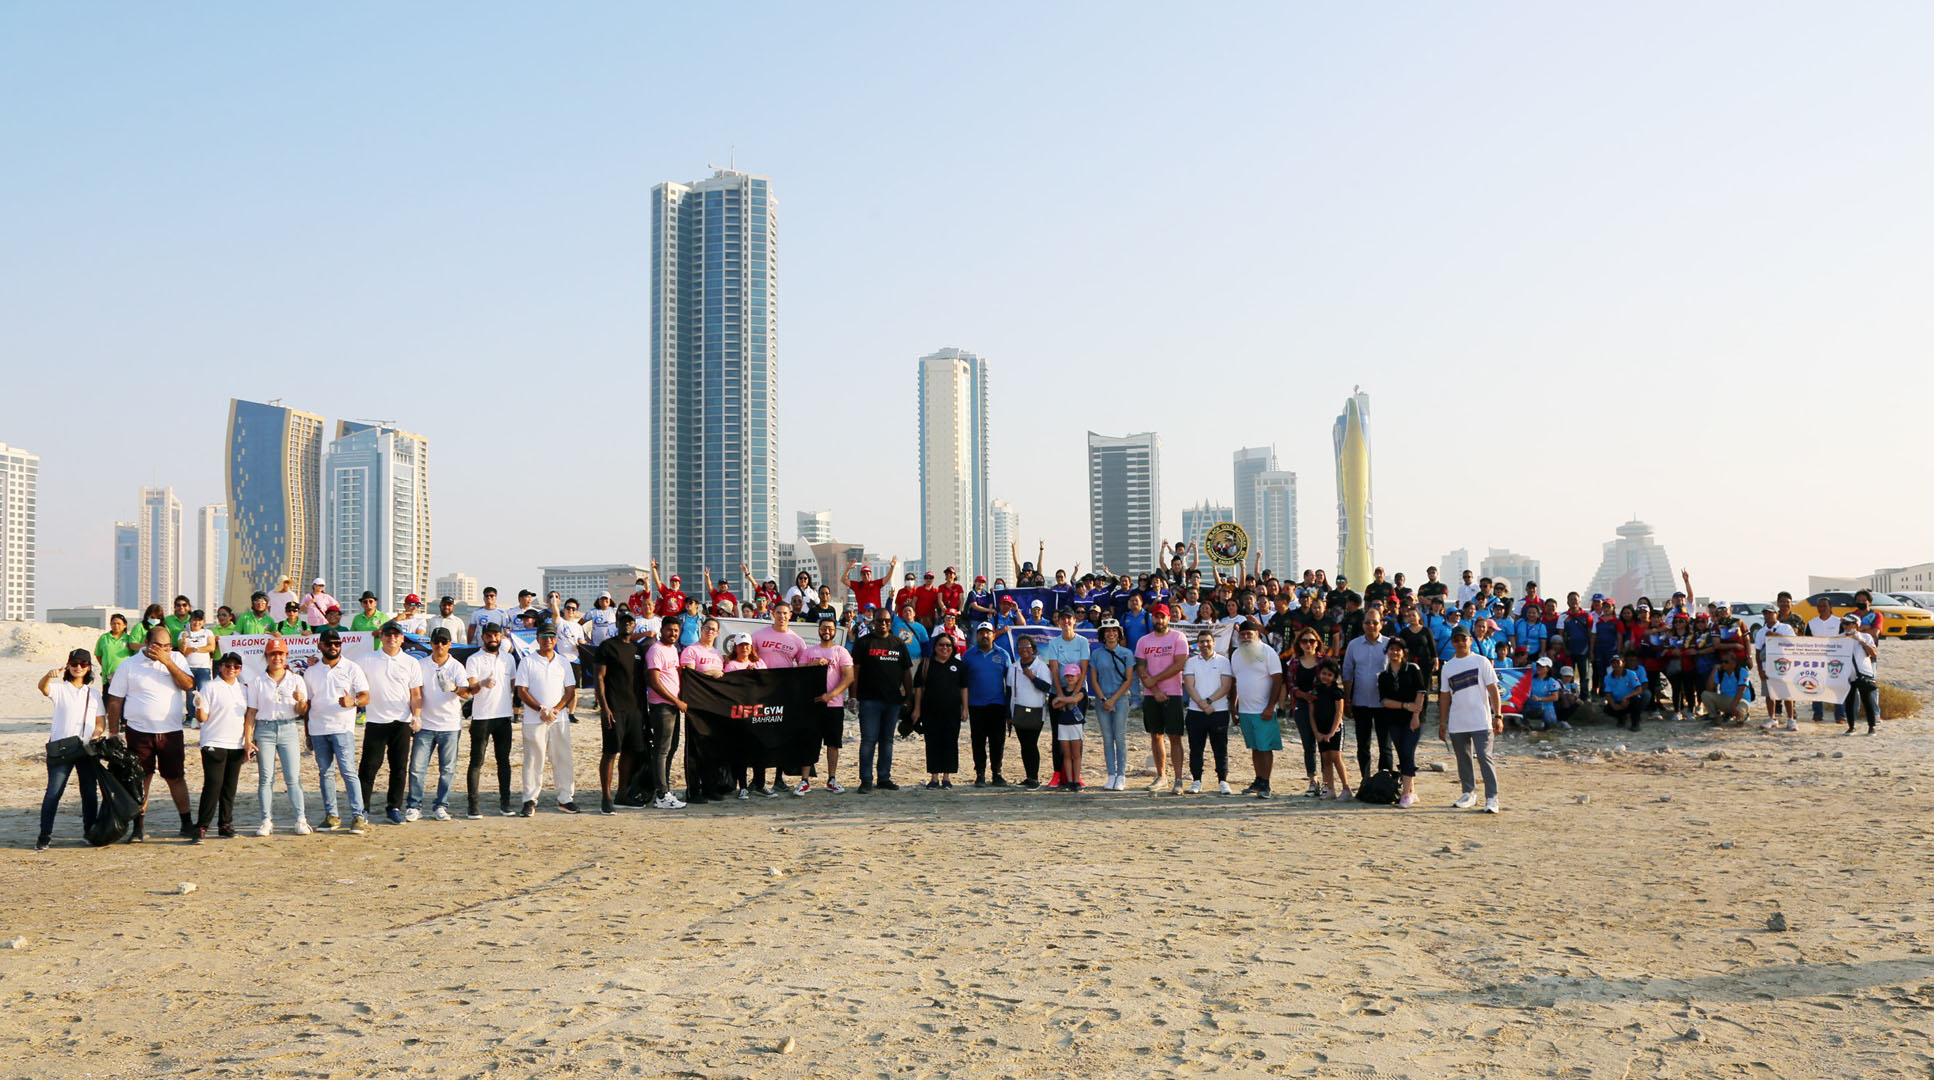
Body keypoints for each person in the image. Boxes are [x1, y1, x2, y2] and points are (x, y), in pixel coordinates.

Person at [104, 624, 198, 842]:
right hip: (139, 731)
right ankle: (138, 827)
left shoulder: (176, 659)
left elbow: (188, 684)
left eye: (167, 646)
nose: (163, 649)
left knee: (175, 777)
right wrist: (113, 731)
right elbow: (116, 699)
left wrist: (168, 662)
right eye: (158, 645)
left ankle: (186, 823)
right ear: (146, 643)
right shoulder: (128, 665)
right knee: (140, 779)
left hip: (171, 730)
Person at [303, 627, 371, 834]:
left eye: (337, 643)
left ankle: (358, 816)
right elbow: (307, 704)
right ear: (320, 645)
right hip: (318, 729)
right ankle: (332, 816)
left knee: (348, 772)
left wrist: (354, 701)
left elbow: (366, 695)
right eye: (329, 643)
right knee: (325, 773)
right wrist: (307, 733)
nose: (333, 647)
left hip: (342, 728)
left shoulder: (352, 668)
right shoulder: (311, 671)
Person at [245, 637, 314, 835]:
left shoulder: (296, 680)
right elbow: (251, 712)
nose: (277, 658)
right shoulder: (258, 681)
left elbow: (302, 710)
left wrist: (300, 701)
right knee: (266, 778)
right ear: (266, 656)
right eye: (273, 654)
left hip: (288, 728)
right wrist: (248, 739)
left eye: (280, 654)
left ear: (286, 656)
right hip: (264, 729)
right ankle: (266, 819)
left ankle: (300, 819)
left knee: (293, 777)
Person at [36, 649, 105, 850]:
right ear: (68, 665)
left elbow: (100, 721)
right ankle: (44, 835)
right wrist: (48, 676)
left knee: (89, 792)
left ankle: (90, 831)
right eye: (74, 663)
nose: (78, 667)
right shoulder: (60, 689)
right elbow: (43, 688)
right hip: (62, 749)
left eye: (83, 664)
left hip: (86, 749)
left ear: (89, 667)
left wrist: (97, 735)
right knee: (53, 793)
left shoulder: (93, 694)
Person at [357, 622, 424, 825]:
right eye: (388, 634)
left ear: (402, 638)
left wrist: (417, 716)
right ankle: (362, 809)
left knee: (399, 768)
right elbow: (346, 673)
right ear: (381, 636)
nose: (392, 638)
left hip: (401, 722)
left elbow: (415, 694)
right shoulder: (366, 660)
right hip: (376, 721)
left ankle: (394, 807)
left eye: (396, 635)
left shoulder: (411, 663)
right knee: (368, 768)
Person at [514, 624, 579, 815]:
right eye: (544, 636)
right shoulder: (527, 661)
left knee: (563, 758)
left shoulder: (563, 662)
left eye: (551, 636)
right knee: (534, 760)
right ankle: (530, 800)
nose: (548, 639)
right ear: (538, 638)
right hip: (535, 719)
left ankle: (566, 798)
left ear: (556, 639)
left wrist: (556, 710)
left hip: (559, 719)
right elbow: (522, 691)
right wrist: (540, 709)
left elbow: (570, 691)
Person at [408, 627, 471, 821]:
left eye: (444, 642)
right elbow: (415, 693)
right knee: (417, 768)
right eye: (436, 642)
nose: (440, 645)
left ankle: (441, 805)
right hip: (425, 725)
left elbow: (467, 693)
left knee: (447, 769)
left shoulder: (456, 666)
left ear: (450, 644)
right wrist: (416, 716)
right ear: (431, 643)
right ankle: (414, 805)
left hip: (450, 726)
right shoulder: (421, 665)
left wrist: (454, 688)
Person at [1438, 626, 1503, 814]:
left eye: (1463, 639)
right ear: (1452, 642)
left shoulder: (1481, 662)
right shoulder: (1447, 667)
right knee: (1463, 759)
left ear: (1470, 641)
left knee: (1484, 757)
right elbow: (1444, 697)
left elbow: (1493, 690)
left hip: (1481, 720)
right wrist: (1443, 723)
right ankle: (1468, 792)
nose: (1460, 643)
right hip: (1458, 721)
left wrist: (1498, 715)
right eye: (1456, 640)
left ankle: (1492, 797)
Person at [191, 651, 250, 841]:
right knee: (213, 786)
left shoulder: (243, 689)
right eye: (227, 665)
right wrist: (199, 705)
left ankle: (225, 824)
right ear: (220, 666)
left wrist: (249, 741)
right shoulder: (210, 687)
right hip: (214, 742)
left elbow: (248, 717)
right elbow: (203, 718)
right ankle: (201, 826)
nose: (231, 669)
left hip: (236, 743)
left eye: (236, 666)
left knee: (229, 787)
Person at [461, 622, 519, 817]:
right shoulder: (474, 659)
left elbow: (512, 685)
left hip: (503, 716)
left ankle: (505, 803)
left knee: (504, 761)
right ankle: (473, 805)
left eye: (495, 635)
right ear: (482, 637)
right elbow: (470, 689)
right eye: (488, 636)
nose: (492, 639)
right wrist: (483, 684)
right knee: (477, 761)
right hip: (482, 717)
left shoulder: (509, 659)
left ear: (501, 637)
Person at [853, 609, 913, 792]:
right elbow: (855, 671)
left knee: (887, 741)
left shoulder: (898, 644)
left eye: (887, 621)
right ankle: (866, 779)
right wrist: (852, 696)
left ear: (891, 622)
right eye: (880, 621)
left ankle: (884, 778)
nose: (884, 624)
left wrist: (909, 697)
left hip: (893, 700)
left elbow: (906, 673)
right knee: (868, 740)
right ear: (874, 622)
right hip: (869, 699)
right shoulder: (864, 643)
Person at [1133, 603, 1191, 793]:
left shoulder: (1178, 637)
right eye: (1156, 617)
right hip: (1151, 694)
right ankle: (1161, 776)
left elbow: (1179, 664)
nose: (1159, 620)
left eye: (1162, 617)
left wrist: (1155, 681)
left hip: (1173, 693)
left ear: (1168, 618)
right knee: (1155, 735)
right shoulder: (1144, 641)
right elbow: (1141, 667)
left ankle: (1179, 779)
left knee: (1175, 736)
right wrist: (1154, 689)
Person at [798, 611, 856, 795]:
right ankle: (804, 780)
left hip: (834, 705)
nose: (826, 631)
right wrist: (812, 665)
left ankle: (832, 779)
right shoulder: (809, 652)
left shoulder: (841, 651)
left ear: (834, 632)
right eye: (823, 628)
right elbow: (797, 673)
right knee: (808, 743)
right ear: (819, 630)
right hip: (812, 705)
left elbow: (849, 677)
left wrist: (830, 695)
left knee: (833, 743)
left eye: (830, 628)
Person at [1228, 619, 1283, 799]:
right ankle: (1258, 779)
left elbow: (1277, 679)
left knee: (1265, 747)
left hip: (1263, 710)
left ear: (1257, 634)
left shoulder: (1268, 652)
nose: (1245, 637)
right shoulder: (1236, 654)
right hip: (1244, 710)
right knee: (1255, 747)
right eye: (1242, 634)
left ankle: (1266, 783)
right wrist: (1233, 706)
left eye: (1249, 634)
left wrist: (1270, 706)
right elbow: (1235, 682)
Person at [1038, 607, 1090, 788]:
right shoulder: (1054, 643)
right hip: (1058, 691)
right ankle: (1057, 774)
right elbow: (1054, 670)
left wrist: (1075, 693)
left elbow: (1084, 670)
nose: (1066, 622)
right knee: (1057, 736)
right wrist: (1060, 694)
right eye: (1063, 619)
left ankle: (1076, 775)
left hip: (1079, 693)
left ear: (1075, 620)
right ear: (1058, 622)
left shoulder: (1083, 642)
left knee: (1076, 735)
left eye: (1069, 618)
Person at [641, 616, 690, 809]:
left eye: (676, 631)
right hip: (662, 706)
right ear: (662, 630)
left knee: (671, 747)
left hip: (673, 706)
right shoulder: (656, 650)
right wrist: (676, 700)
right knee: (661, 750)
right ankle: (661, 794)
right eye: (669, 630)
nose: (673, 634)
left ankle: (663, 788)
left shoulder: (673, 650)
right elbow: (654, 681)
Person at [1340, 605, 1393, 781]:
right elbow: (1347, 673)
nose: (1371, 625)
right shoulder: (1354, 645)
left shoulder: (1389, 645)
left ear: (1381, 624)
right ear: (1363, 625)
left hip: (1384, 703)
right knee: (1363, 745)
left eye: (1375, 622)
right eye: (1367, 622)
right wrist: (1347, 700)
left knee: (1385, 745)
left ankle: (1384, 780)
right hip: (1360, 701)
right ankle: (1366, 780)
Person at [677, 617, 726, 804]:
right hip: (695, 706)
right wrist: (709, 674)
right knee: (694, 749)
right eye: (707, 628)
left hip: (713, 707)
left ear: (718, 633)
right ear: (701, 629)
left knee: (711, 749)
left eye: (713, 629)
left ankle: (710, 787)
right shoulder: (691, 651)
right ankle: (693, 790)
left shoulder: (717, 654)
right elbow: (689, 677)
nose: (710, 632)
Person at [1376, 638, 1429, 808]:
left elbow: (1421, 692)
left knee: (1408, 751)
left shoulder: (1412, 669)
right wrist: (1405, 706)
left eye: (1398, 649)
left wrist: (1415, 714)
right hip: (1393, 719)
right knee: (1401, 752)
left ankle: (1405, 794)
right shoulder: (1384, 675)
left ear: (1404, 652)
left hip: (1413, 719)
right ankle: (1411, 789)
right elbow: (1384, 701)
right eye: (1392, 649)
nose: (1395, 652)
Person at [1181, 629, 1234, 794]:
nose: (1205, 644)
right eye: (1201, 641)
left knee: (1220, 747)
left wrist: (1209, 702)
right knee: (1196, 747)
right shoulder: (1191, 662)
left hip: (1219, 711)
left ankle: (1223, 781)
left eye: (1208, 641)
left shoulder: (1224, 661)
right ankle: (1196, 780)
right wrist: (1202, 705)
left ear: (1214, 642)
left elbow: (1225, 686)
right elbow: (1189, 685)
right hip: (1196, 712)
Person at [913, 633, 968, 788]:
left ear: (953, 648)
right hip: (930, 711)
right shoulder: (926, 664)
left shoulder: (958, 665)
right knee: (932, 743)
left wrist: (965, 709)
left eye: (948, 645)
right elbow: (918, 688)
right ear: (935, 647)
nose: (945, 648)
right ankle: (934, 777)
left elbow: (964, 688)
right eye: (941, 645)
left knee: (950, 742)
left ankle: (947, 777)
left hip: (952, 712)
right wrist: (917, 709)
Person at [962, 622, 1013, 786]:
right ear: (977, 635)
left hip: (997, 704)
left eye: (988, 632)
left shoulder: (1003, 654)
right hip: (976, 705)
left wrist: (1009, 709)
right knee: (977, 741)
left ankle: (997, 773)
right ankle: (980, 774)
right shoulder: (969, 656)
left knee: (997, 741)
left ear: (993, 635)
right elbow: (963, 683)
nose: (985, 635)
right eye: (981, 633)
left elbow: (1010, 682)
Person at [1087, 619, 1135, 791]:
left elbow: (1129, 680)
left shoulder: (1127, 653)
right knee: (1107, 738)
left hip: (1120, 700)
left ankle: (1121, 775)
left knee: (1120, 737)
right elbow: (1093, 679)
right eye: (1107, 631)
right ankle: (1111, 774)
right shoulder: (1097, 654)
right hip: (1102, 701)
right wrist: (1103, 700)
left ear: (1119, 633)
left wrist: (1113, 700)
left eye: (1114, 630)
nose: (1111, 634)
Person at [1284, 629, 1328, 798]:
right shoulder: (1295, 663)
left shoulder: (1324, 661)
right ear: (1299, 644)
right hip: (1302, 707)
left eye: (1311, 640)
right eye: (1304, 641)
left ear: (1317, 642)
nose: (1308, 644)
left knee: (1324, 745)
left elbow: (1331, 680)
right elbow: (1291, 685)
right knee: (1308, 745)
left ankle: (1326, 782)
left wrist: (1315, 694)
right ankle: (1313, 780)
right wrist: (1304, 695)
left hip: (1323, 706)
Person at [1005, 635, 1053, 787]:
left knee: (1031, 744)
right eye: (1020, 647)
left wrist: (1032, 677)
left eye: (1027, 647)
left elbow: (1046, 687)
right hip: (1018, 710)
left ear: (1033, 649)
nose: (1024, 650)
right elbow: (1009, 691)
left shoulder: (1040, 666)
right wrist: (1008, 714)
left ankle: (1034, 777)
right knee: (1024, 745)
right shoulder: (1013, 667)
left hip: (1036, 711)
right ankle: (1029, 775)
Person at [1804, 597, 1847, 725]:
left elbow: (1845, 640)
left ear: (1830, 607)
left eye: (1824, 606)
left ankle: (1840, 715)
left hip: (1835, 660)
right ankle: (1817, 714)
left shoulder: (1839, 622)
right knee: (1816, 685)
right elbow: (1806, 642)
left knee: (1836, 688)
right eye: (1819, 606)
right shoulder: (1811, 623)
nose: (1822, 608)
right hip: (1817, 660)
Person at [1311, 660, 1349, 799]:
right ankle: (1329, 788)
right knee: (1325, 758)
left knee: (1335, 757)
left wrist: (1332, 733)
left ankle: (1346, 788)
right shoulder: (1315, 691)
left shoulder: (1337, 692)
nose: (1325, 677)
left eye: (1329, 674)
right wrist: (1316, 732)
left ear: (1334, 677)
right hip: (1321, 728)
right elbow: (1311, 713)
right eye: (1323, 673)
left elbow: (1339, 712)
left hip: (1334, 728)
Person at [176, 608, 216, 729]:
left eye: (199, 620)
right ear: (190, 621)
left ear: (203, 622)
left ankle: (204, 716)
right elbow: (182, 651)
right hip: (188, 668)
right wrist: (184, 640)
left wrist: (194, 648)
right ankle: (191, 717)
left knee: (204, 692)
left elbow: (211, 647)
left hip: (203, 668)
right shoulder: (183, 633)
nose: (196, 623)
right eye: (194, 620)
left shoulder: (208, 633)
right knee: (190, 694)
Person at [1842, 615, 1880, 735]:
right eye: (1843, 623)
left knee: (1867, 699)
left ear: (1856, 625)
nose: (1845, 626)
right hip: (1848, 673)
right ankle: (1851, 726)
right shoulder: (1840, 638)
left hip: (1863, 673)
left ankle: (1871, 726)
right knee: (1849, 700)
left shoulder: (1866, 637)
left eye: (1848, 623)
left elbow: (1873, 653)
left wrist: (1861, 641)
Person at [1699, 651, 1754, 727]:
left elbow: (1741, 690)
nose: (1723, 664)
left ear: (1734, 663)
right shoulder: (1721, 673)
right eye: (1722, 661)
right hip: (1726, 699)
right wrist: (1714, 671)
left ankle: (1742, 717)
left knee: (1740, 710)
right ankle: (1715, 718)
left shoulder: (1742, 671)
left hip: (1741, 700)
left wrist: (1734, 705)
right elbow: (1709, 688)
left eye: (1726, 662)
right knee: (1705, 694)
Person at [1602, 653, 1648, 731]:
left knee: (1638, 700)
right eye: (1613, 663)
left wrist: (1626, 697)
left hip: (1630, 699)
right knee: (1607, 709)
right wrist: (1613, 705)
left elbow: (1639, 689)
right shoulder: (1608, 677)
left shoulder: (1631, 674)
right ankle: (1621, 718)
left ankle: (1635, 724)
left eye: (1618, 662)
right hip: (1618, 701)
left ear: (1623, 663)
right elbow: (1608, 694)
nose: (1615, 665)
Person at [94, 612, 137, 690]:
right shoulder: (104, 638)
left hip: (125, 678)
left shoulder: (129, 639)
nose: (116, 626)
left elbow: (134, 656)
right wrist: (106, 666)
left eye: (119, 623)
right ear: (110, 624)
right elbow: (98, 655)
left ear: (125, 625)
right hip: (108, 678)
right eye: (113, 623)